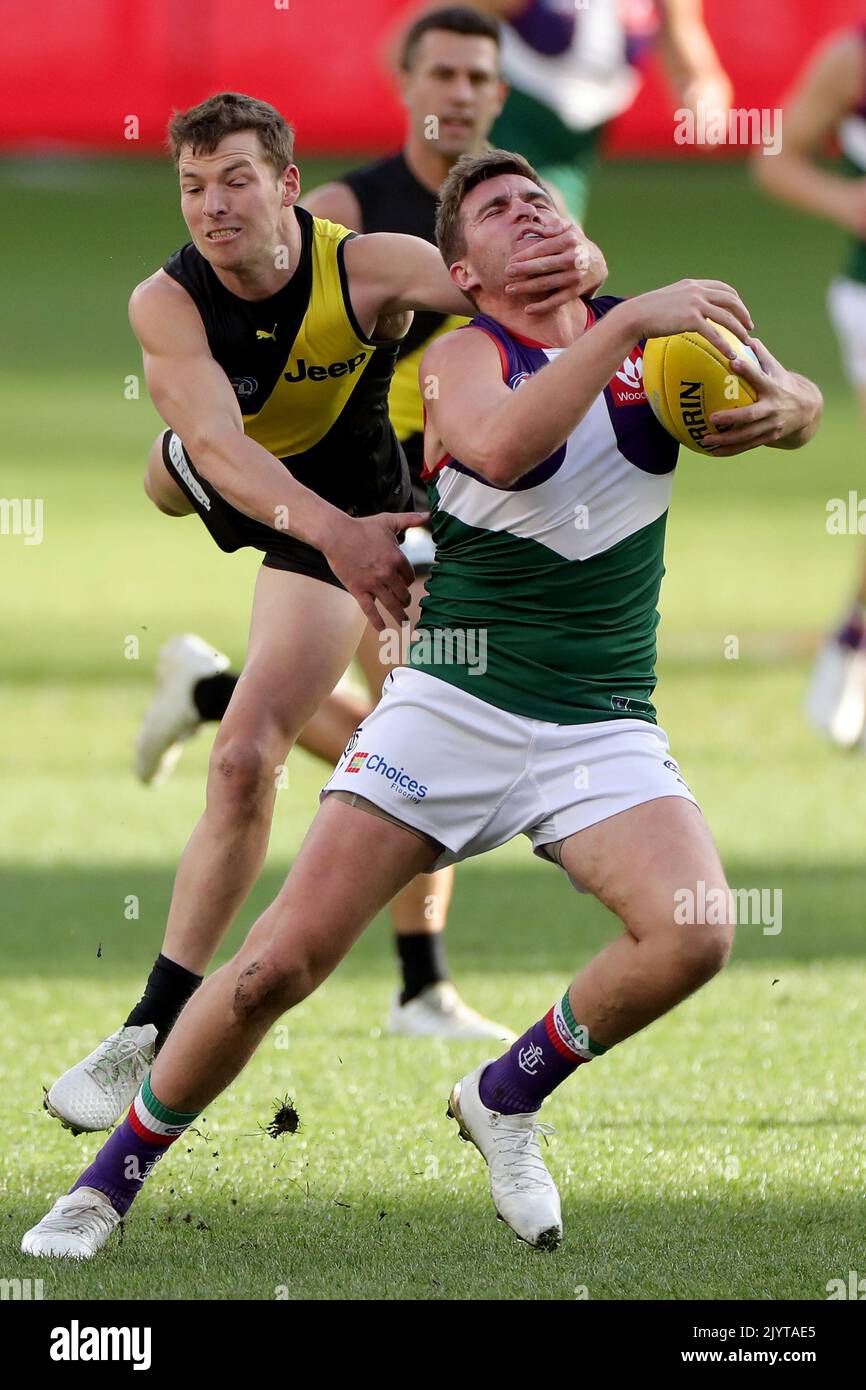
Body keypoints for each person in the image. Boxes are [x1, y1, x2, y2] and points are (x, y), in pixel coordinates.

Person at [22, 150, 822, 1260]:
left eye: (539, 197)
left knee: (693, 933)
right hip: (450, 707)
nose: (530, 212)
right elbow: (498, 444)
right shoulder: (463, 359)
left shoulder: (665, 346)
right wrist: (626, 317)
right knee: (271, 970)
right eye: (496, 210)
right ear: (464, 272)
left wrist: (788, 403)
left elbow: (797, 403)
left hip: (598, 718)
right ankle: (105, 1182)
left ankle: (503, 1093)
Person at [42, 93, 600, 1136]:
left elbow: (546, 277)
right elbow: (223, 448)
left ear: (289, 185)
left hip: (352, 513)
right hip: (269, 490)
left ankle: (183, 1007)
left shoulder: (367, 265)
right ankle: (153, 1032)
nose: (211, 207)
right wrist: (330, 531)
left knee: (250, 756)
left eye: (236, 179)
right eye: (192, 186)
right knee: (179, 469)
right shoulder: (165, 303)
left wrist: (560, 252)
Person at [754, 22, 866, 748]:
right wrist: (848, 203)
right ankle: (853, 645)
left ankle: (854, 634)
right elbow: (778, 158)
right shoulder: (852, 57)